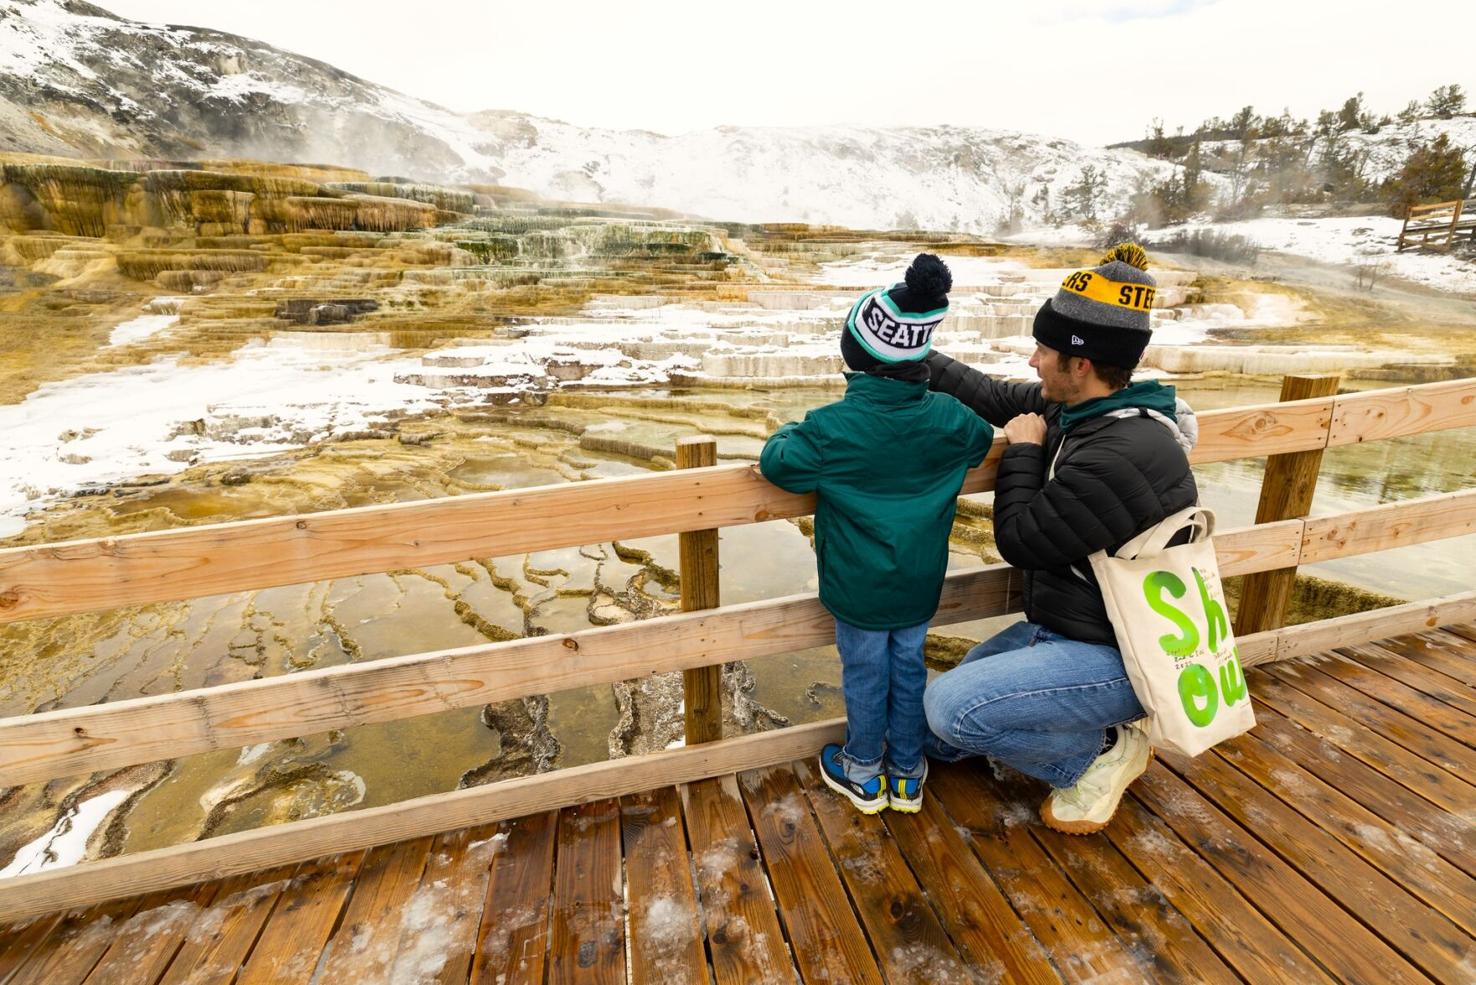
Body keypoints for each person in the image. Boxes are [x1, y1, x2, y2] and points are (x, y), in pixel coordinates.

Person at [921, 243, 1199, 834]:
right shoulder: (1085, 411)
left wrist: (1022, 451)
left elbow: (1022, 541)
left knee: (953, 712)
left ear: (1080, 363)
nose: (1030, 361)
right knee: (936, 736)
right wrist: (908, 347)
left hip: (1122, 656)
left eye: (1043, 351)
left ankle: (1098, 753)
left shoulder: (1123, 453)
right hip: (1068, 631)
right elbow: (996, 397)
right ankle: (1084, 732)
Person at [760, 254, 994, 814]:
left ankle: (864, 769)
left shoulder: (829, 430)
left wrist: (793, 426)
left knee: (865, 670)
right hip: (918, 583)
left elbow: (778, 462)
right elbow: (980, 440)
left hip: (858, 588)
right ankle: (908, 772)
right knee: (908, 667)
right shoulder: (950, 418)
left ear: (856, 355)